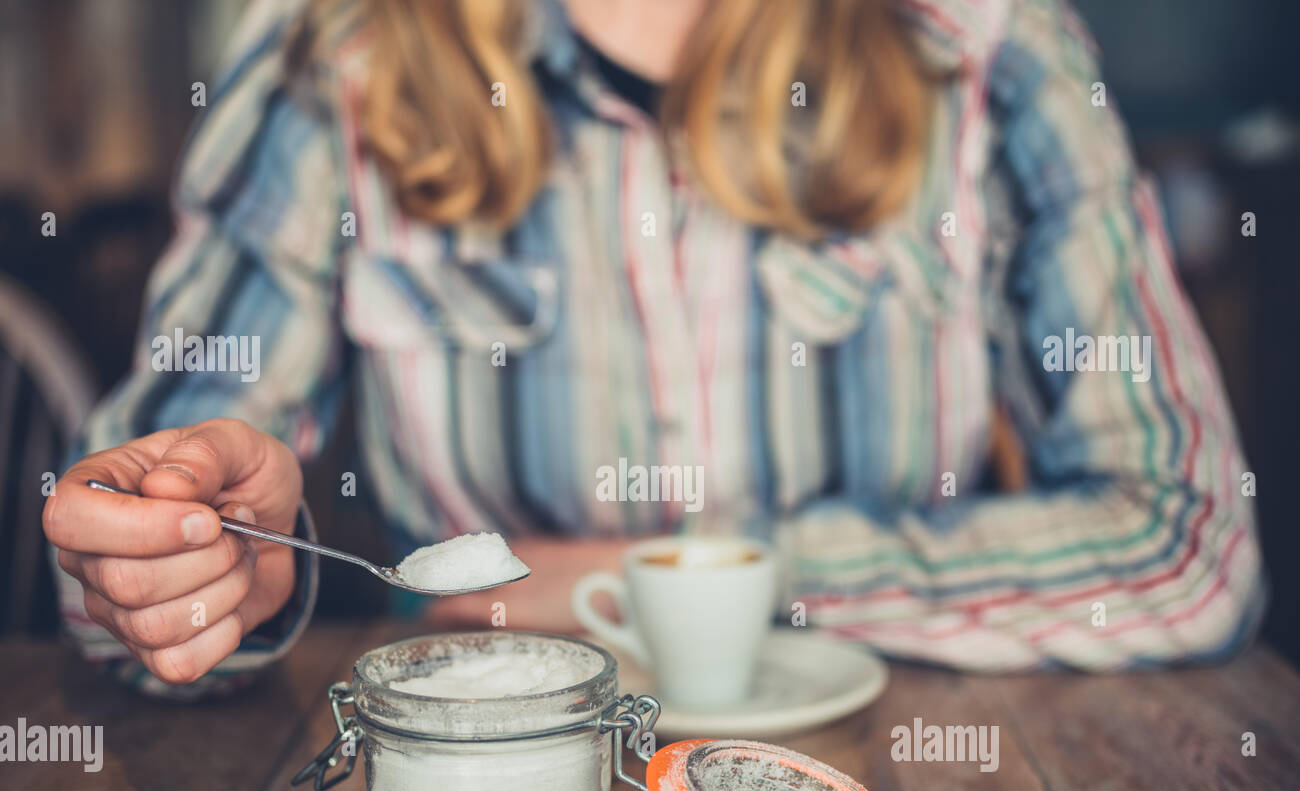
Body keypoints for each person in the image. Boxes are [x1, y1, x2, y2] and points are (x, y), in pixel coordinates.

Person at [42, 0, 1265, 695]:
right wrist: (197, 574)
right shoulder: (332, 54)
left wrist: (652, 576)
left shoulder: (984, 50)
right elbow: (111, 561)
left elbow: (1186, 543)